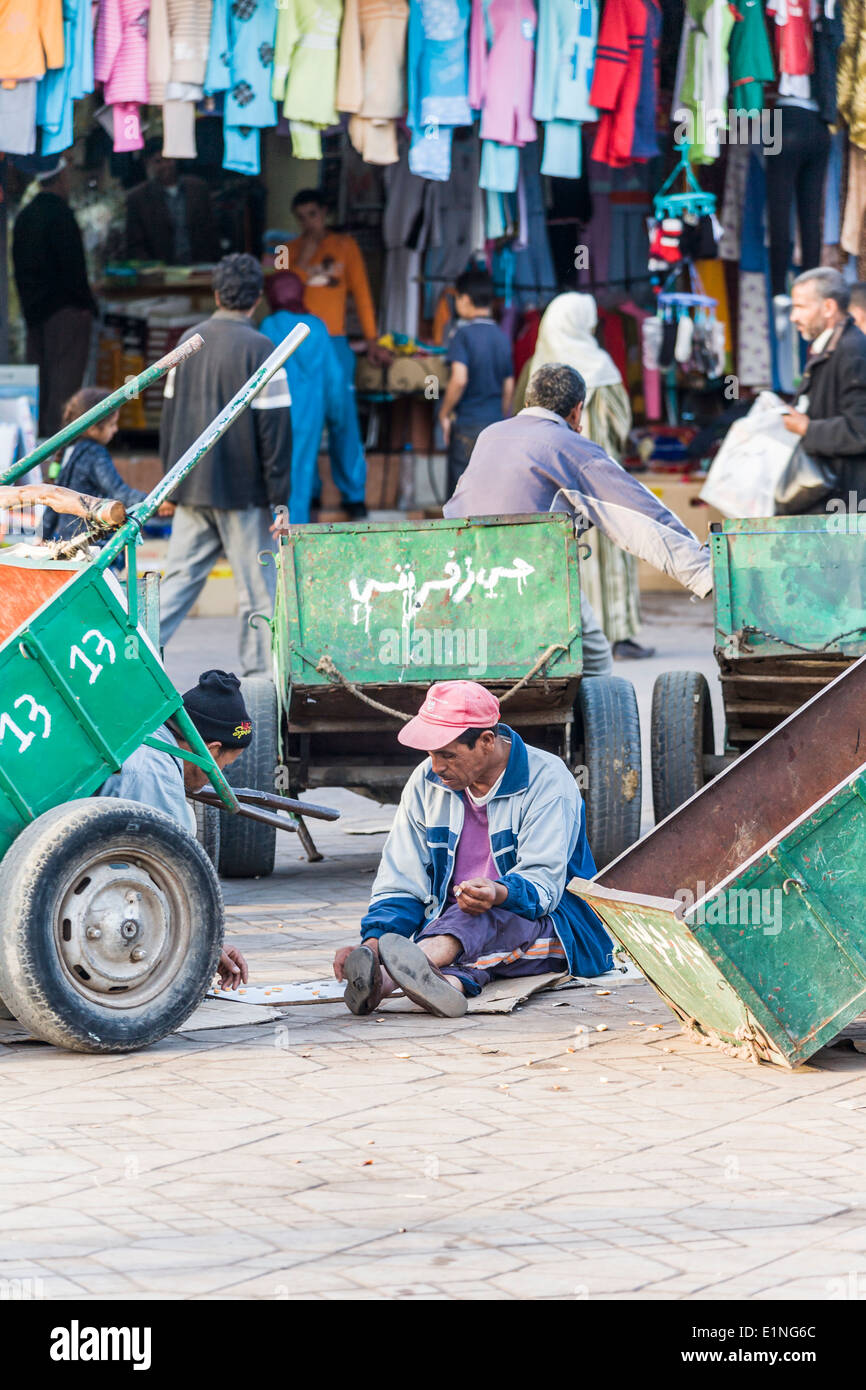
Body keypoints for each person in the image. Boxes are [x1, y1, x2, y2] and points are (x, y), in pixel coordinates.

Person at [332, 680, 611, 1017]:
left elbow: (542, 889)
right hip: (449, 929)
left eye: (447, 754)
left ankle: (388, 979)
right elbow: (401, 878)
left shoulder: (549, 779)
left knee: (484, 917)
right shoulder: (427, 782)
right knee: (467, 935)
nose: (436, 766)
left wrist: (497, 892)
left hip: (555, 926)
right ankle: (448, 983)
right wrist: (375, 942)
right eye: (431, 754)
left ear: (486, 742)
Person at [444, 363, 712, 675]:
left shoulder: (490, 434)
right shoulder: (569, 445)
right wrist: (703, 569)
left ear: (528, 403)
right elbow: (636, 513)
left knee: (587, 645)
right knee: (597, 664)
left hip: (460, 570)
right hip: (531, 577)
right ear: (577, 411)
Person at [157, 254, 292, 676]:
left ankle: (132, 657)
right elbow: (276, 430)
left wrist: (169, 488)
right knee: (257, 596)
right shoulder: (263, 349)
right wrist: (280, 500)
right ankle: (261, 685)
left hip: (193, 490)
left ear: (215, 294)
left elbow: (169, 418)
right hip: (244, 496)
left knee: (176, 586)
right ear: (257, 301)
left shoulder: (188, 342)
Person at [516, 292, 651, 661]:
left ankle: (568, 636)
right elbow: (620, 425)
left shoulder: (536, 370)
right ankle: (618, 634)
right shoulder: (600, 367)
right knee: (612, 546)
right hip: (599, 475)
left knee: (564, 552)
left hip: (550, 481)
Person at [99, 669, 252, 991]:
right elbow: (164, 882)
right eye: (227, 764)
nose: (221, 775)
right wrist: (204, 947)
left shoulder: (147, 739)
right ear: (210, 751)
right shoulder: (154, 776)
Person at [283, 188, 387, 519]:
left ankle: (353, 494)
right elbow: (283, 288)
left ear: (324, 213)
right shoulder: (288, 251)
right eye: (301, 217)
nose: (308, 222)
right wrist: (306, 254)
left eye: (312, 214)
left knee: (343, 419)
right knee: (302, 420)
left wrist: (372, 339)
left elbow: (362, 294)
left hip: (336, 342)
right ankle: (307, 492)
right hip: (298, 346)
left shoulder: (346, 247)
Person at [12, 159, 97, 438]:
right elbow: (73, 268)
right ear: (61, 177)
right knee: (64, 382)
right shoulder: (60, 214)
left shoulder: (26, 215)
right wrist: (86, 304)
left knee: (42, 381)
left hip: (35, 311)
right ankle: (59, 445)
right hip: (65, 310)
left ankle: (40, 444)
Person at [259, 271, 343, 524]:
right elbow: (335, 379)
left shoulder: (268, 326)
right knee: (303, 473)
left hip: (275, 413)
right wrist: (336, 418)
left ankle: (277, 536)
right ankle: (296, 538)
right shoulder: (316, 326)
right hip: (310, 414)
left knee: (277, 473)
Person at [41, 388, 174, 548]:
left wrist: (42, 536)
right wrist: (154, 502)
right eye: (112, 425)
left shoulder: (69, 452)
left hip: (69, 543)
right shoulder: (94, 453)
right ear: (92, 428)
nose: (116, 429)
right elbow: (119, 492)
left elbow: (53, 499)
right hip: (92, 544)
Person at [785, 268, 866, 505]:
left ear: (828, 308)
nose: (793, 317)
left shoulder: (853, 351)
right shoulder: (832, 347)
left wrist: (807, 428)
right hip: (835, 498)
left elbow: (861, 430)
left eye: (800, 307)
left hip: (849, 503)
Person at [439, 269, 515, 494]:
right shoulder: (501, 337)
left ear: (464, 299)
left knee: (460, 497)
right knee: (491, 492)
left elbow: (459, 379)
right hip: (495, 425)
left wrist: (444, 413)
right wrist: (500, 416)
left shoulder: (462, 335)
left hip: (467, 425)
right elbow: (508, 384)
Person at [125, 142, 220, 264]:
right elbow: (134, 242)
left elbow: (211, 230)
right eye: (158, 161)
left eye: (168, 160)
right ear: (148, 164)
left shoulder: (198, 188)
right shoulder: (138, 198)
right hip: (161, 273)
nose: (165, 165)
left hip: (200, 267)